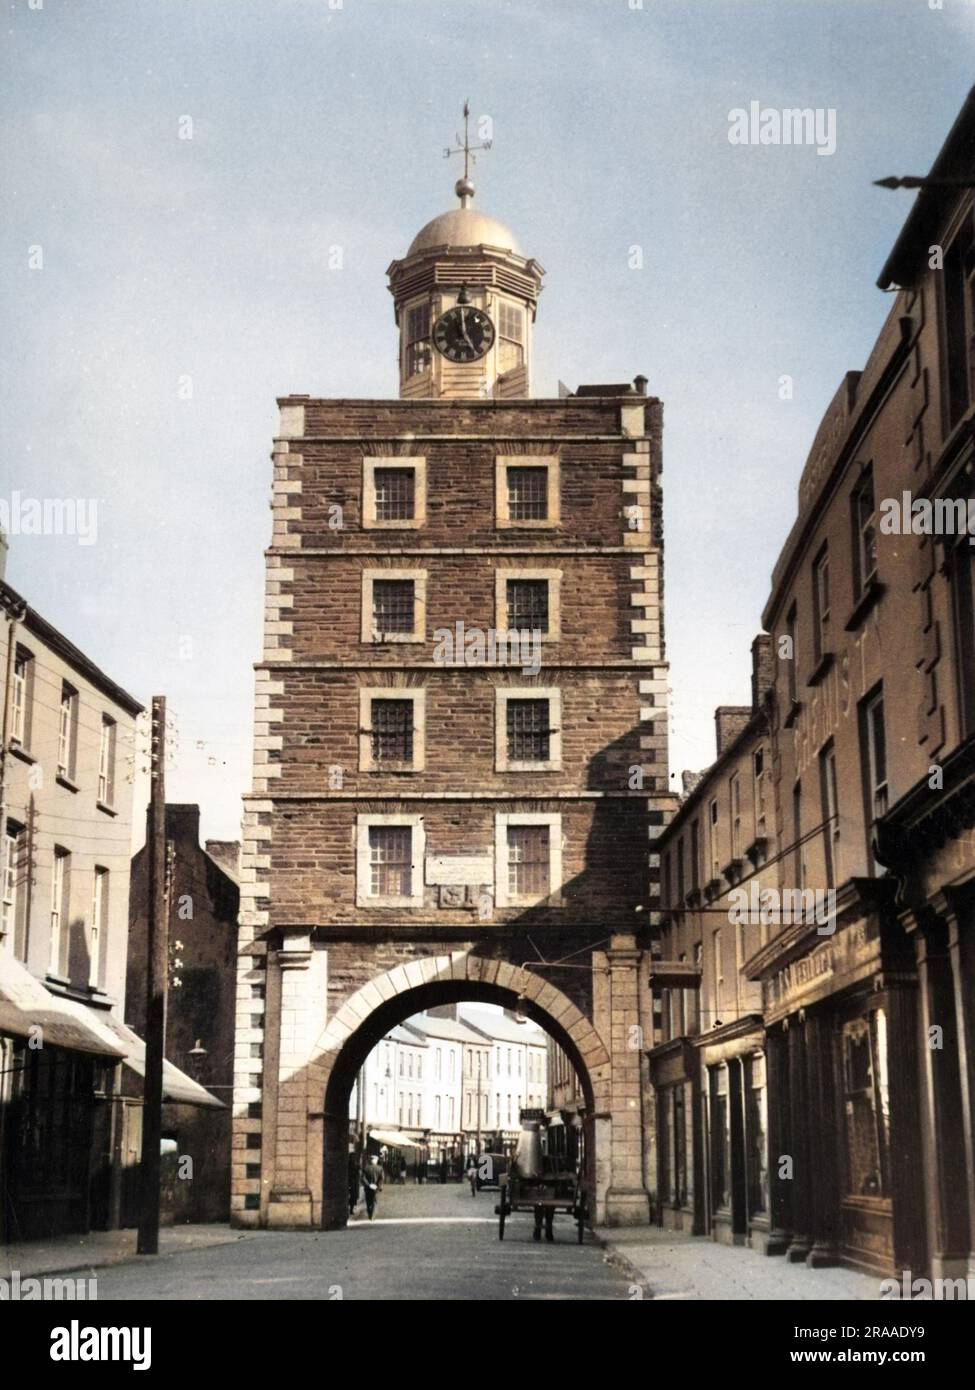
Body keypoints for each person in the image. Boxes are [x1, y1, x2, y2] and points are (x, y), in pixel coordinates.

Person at [362, 1155, 383, 1220]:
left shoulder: (366, 1168)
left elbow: (363, 1178)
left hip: (368, 1187)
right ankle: (372, 1214)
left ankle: (369, 1213)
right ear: (376, 1160)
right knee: (374, 1200)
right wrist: (379, 1186)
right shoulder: (380, 1168)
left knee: (368, 1201)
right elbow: (381, 1178)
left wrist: (368, 1185)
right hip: (375, 1187)